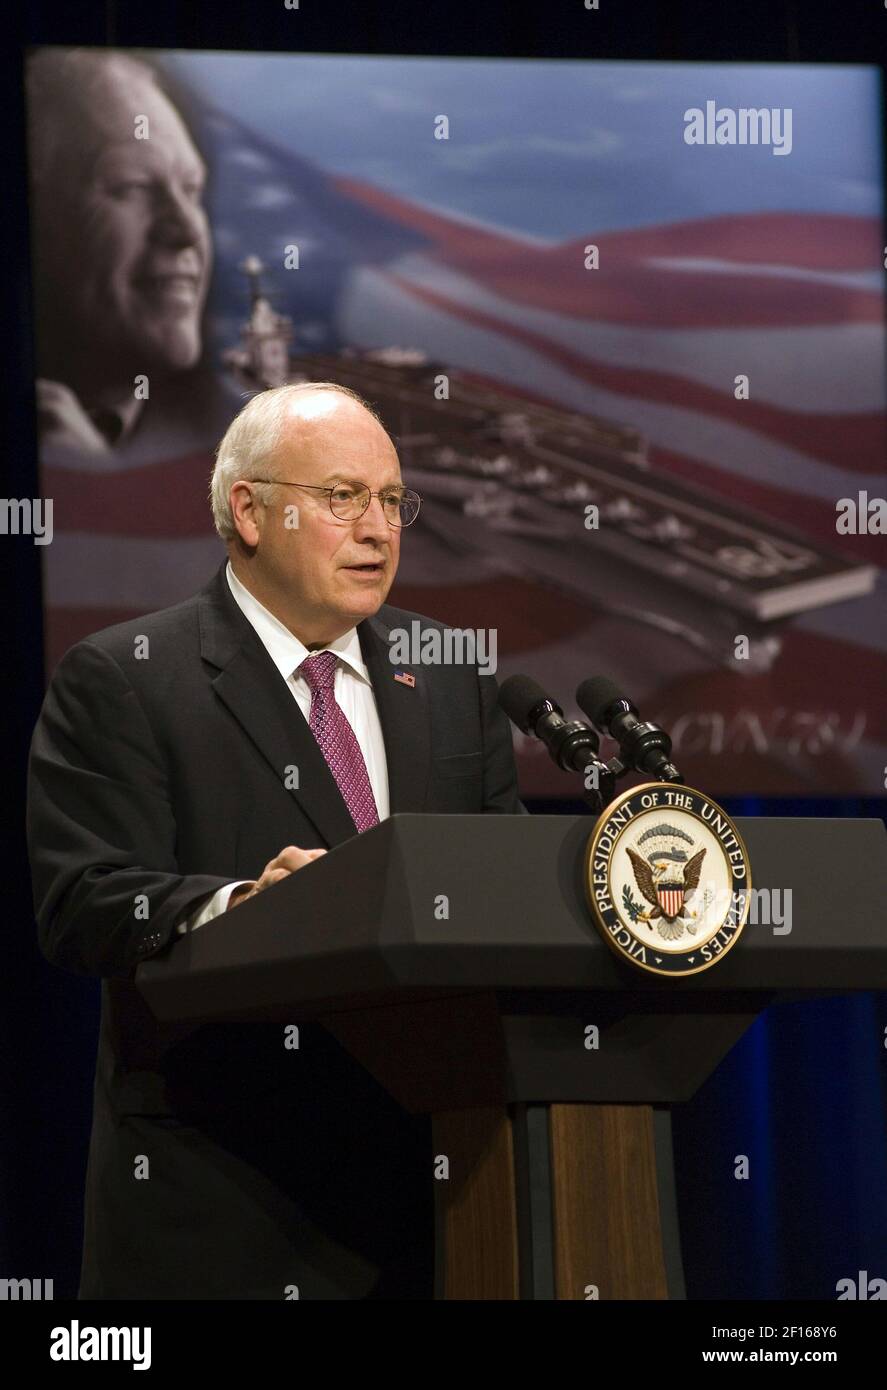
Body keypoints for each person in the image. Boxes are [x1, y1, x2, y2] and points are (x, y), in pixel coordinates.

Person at [27, 381, 525, 1299]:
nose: (379, 529)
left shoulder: (449, 671)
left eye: (391, 500)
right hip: (227, 1200)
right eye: (343, 498)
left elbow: (504, 880)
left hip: (443, 1192)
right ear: (249, 512)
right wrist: (238, 907)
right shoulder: (128, 677)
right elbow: (82, 900)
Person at [26, 48, 230, 460]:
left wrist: (91, 486)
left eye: (192, 191)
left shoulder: (250, 444)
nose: (188, 231)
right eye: (133, 185)